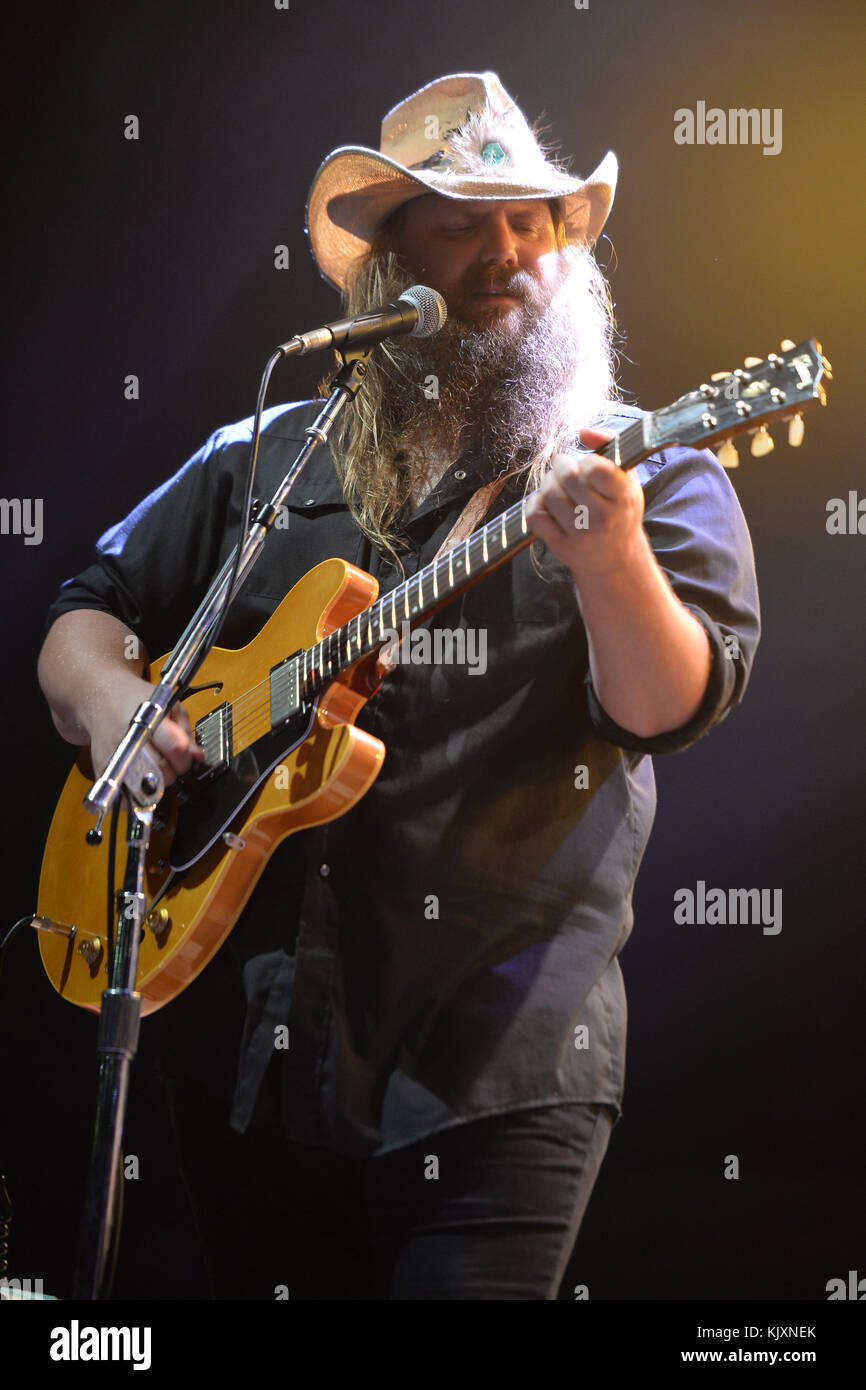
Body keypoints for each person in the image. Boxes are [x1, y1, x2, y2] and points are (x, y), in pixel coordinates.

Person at [37, 71, 760, 1300]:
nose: (505, 252)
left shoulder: (649, 470)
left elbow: (666, 707)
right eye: (461, 223)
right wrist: (115, 702)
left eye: (529, 222)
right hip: (241, 1046)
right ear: (388, 265)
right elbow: (83, 610)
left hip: (493, 1071)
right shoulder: (269, 458)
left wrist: (609, 556)